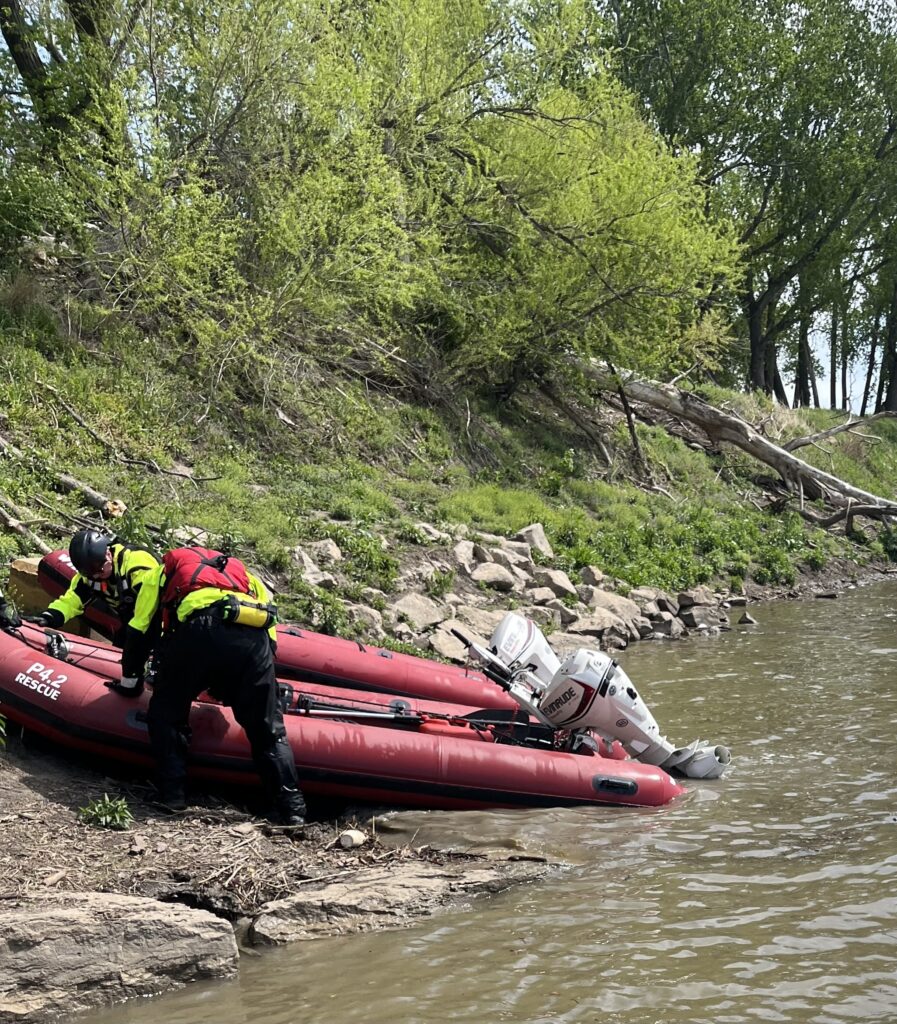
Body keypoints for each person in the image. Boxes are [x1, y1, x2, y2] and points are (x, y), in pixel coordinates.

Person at [119, 545, 307, 825]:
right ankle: (292, 810)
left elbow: (140, 628)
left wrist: (130, 680)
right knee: (269, 731)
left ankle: (172, 797)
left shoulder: (159, 574)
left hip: (200, 631)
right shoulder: (243, 575)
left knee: (166, 715)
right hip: (253, 642)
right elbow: (271, 630)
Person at [26, 529, 160, 651]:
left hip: (160, 620)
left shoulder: (137, 566)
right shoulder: (90, 575)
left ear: (108, 554)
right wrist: (50, 617)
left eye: (99, 571)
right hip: (130, 620)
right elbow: (72, 600)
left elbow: (153, 606)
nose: (96, 576)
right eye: (91, 574)